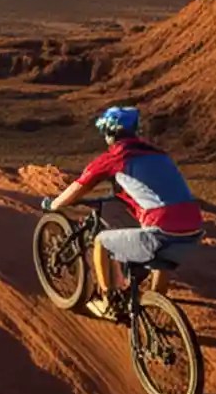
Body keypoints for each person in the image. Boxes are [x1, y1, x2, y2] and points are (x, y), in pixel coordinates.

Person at [41, 106, 203, 318]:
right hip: (194, 228)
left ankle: (107, 302)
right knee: (161, 257)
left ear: (109, 134)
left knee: (101, 241)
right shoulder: (159, 154)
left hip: (161, 228)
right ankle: (153, 308)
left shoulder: (116, 157)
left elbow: (79, 187)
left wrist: (53, 205)